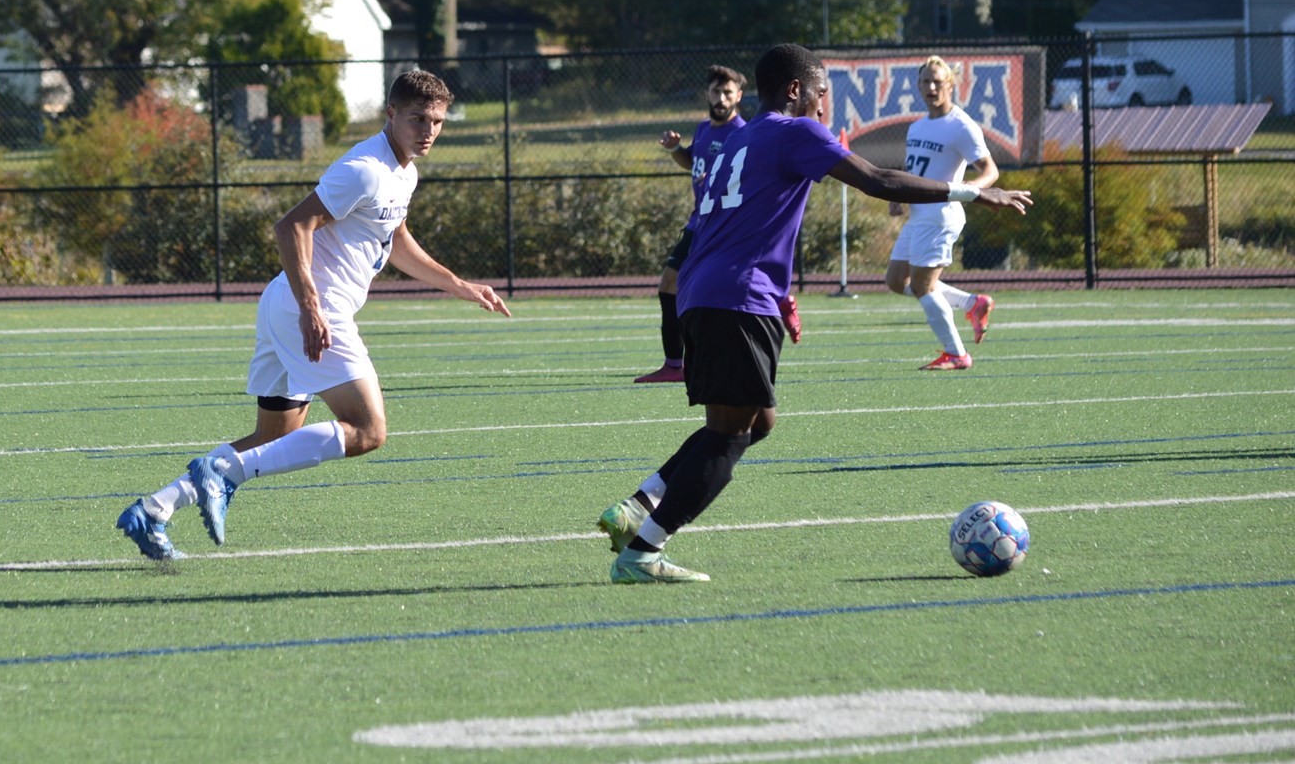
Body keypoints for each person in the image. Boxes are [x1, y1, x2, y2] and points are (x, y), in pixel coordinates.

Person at [597, 44, 1031, 583]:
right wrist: (972, 193)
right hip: (737, 296)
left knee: (756, 422)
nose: (825, 107)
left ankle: (639, 505)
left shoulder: (740, 137)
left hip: (705, 291)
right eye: (822, 93)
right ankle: (643, 552)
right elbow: (878, 180)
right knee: (730, 434)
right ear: (796, 90)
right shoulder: (794, 131)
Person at [117, 69, 512, 561]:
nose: (428, 131)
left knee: (272, 438)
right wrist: (312, 309)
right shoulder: (366, 169)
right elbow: (290, 227)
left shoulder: (404, 171)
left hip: (286, 304)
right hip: (311, 309)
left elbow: (395, 240)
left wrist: (460, 285)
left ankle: (153, 510)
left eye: (437, 121)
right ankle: (219, 475)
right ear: (391, 114)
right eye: (418, 119)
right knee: (367, 430)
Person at [636, 66, 800, 385]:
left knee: (678, 285)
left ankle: (678, 364)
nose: (721, 98)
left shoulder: (742, 132)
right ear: (707, 94)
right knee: (675, 285)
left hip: (723, 223)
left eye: (728, 93)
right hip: (700, 221)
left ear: (739, 96)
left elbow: (750, 175)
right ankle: (678, 363)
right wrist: (675, 151)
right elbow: (693, 162)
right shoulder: (703, 129)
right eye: (716, 92)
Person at [885, 55, 998, 370]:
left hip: (941, 215)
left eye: (937, 81)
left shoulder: (961, 125)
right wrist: (899, 195)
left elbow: (990, 171)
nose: (931, 87)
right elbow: (915, 170)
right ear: (919, 86)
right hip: (919, 215)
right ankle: (972, 303)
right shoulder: (917, 126)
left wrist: (969, 190)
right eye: (926, 81)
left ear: (950, 84)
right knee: (896, 280)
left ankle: (956, 353)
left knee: (923, 285)